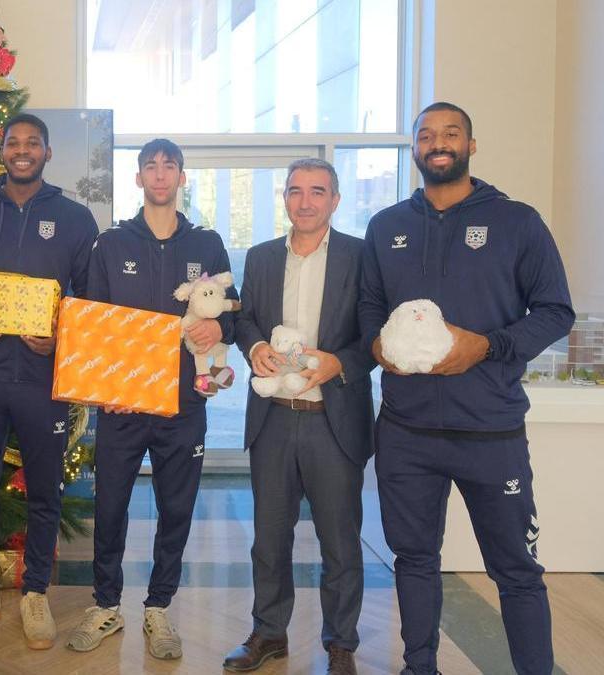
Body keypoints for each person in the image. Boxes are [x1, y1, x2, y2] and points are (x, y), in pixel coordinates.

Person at [359, 102, 574, 675]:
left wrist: (488, 346)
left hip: (490, 430)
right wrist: (378, 347)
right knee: (414, 559)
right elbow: (369, 310)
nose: (438, 143)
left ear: (471, 145)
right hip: (406, 431)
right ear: (414, 150)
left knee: (517, 570)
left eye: (450, 133)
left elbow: (555, 311)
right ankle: (419, 666)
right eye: (426, 136)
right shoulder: (386, 227)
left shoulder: (517, 221)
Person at [65, 139, 236, 660]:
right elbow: (92, 325)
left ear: (181, 177)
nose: (160, 175)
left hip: (185, 404)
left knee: (176, 506)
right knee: (110, 504)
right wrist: (101, 388)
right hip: (122, 406)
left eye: (169, 166)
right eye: (150, 166)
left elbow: (232, 310)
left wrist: (217, 326)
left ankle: (159, 608)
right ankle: (106, 604)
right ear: (138, 178)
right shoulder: (111, 243)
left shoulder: (206, 244)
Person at [0, 113, 99, 650]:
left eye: (33, 143)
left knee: (44, 492)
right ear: (2, 151)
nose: (23, 150)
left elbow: (87, 303)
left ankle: (35, 594)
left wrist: (61, 340)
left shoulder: (76, 219)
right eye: (14, 143)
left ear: (48, 154)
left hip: (42, 379)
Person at [226, 158, 376, 675]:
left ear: (335, 200)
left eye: (318, 191)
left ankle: (341, 643)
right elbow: (243, 319)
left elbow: (374, 335)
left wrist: (342, 363)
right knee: (269, 537)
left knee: (340, 540)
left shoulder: (361, 256)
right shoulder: (263, 257)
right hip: (272, 417)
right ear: (284, 199)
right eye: (295, 191)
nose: (305, 201)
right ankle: (268, 633)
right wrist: (256, 345)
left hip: (333, 420)